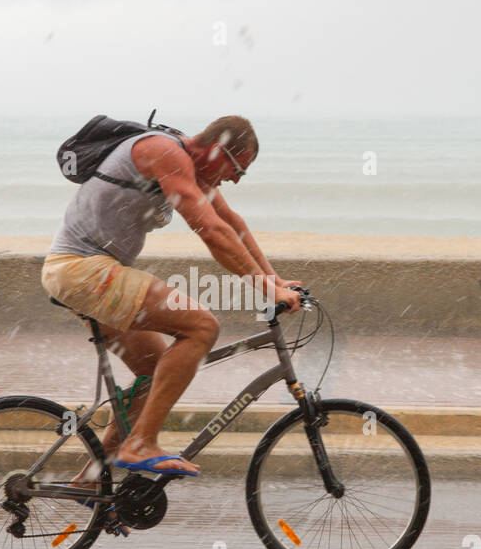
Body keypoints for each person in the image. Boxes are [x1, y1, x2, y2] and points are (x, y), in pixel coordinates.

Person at [41, 115, 302, 476]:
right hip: (81, 269)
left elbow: (232, 224)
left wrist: (276, 281)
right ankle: (140, 444)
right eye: (238, 167)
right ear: (216, 149)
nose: (237, 179)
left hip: (85, 273)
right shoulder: (164, 152)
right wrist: (264, 288)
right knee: (201, 327)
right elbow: (210, 230)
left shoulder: (191, 164)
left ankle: (90, 480)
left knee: (154, 370)